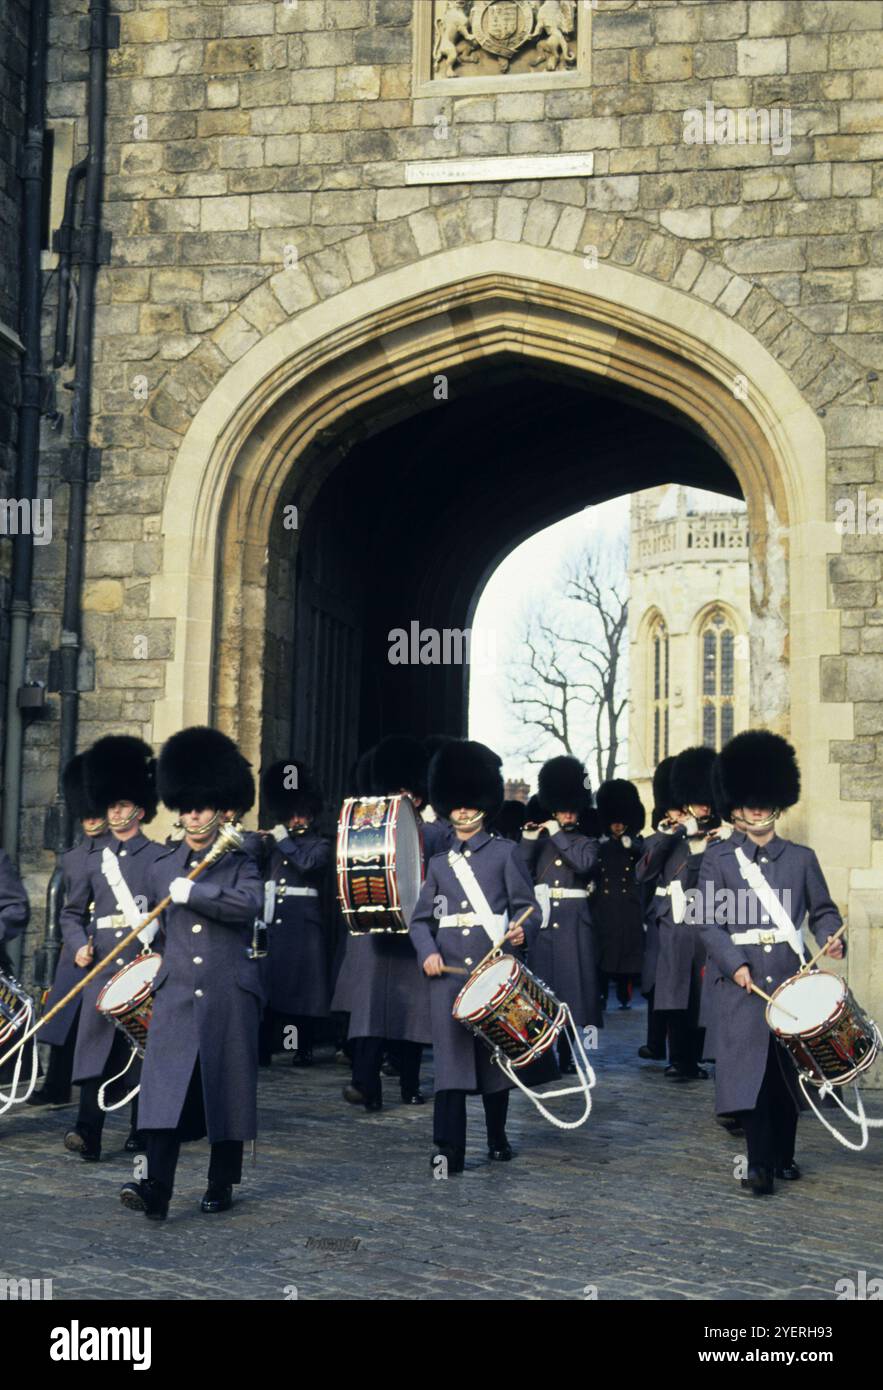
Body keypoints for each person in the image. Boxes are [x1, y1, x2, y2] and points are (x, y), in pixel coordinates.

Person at [119, 726, 264, 1221]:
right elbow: (154, 924)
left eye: (201, 808)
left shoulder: (241, 860)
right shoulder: (163, 865)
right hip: (177, 989)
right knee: (164, 1090)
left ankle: (221, 1181)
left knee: (226, 1086)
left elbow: (249, 906)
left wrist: (195, 894)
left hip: (227, 989)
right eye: (185, 808)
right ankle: (155, 1186)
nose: (192, 817)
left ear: (221, 809)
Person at [696, 730, 844, 1196]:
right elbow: (706, 922)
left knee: (785, 1076)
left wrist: (830, 937)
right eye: (749, 803)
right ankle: (758, 1165)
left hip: (791, 976)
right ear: (735, 807)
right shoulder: (717, 860)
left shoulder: (801, 859)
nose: (757, 810)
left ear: (777, 803)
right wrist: (733, 963)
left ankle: (783, 1156)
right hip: (742, 983)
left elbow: (822, 911)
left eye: (765, 802)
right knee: (749, 1076)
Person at [409, 739, 540, 1172]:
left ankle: (498, 1136)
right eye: (456, 806)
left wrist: (523, 931)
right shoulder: (441, 864)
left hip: (493, 969)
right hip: (447, 977)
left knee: (492, 1061)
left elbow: (528, 907)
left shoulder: (505, 853)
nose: (462, 813)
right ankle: (448, 1149)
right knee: (450, 1066)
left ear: (483, 804)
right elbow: (420, 920)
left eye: (469, 805)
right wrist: (427, 952)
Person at [63, 737, 163, 1161]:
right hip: (102, 958)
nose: (117, 813)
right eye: (112, 806)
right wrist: (76, 947)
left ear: (140, 808)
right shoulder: (91, 859)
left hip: (143, 961)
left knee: (143, 1049)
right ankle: (87, 1131)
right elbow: (71, 914)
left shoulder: (160, 857)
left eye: (125, 805)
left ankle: (141, 1131)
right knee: (93, 1048)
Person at [332, 736, 437, 1110]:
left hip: (414, 932)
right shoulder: (367, 825)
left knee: (411, 1015)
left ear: (420, 796)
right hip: (372, 931)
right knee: (369, 1014)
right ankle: (365, 1085)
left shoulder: (435, 830)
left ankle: (409, 1084)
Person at [28, 754, 110, 1107]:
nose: (91, 818)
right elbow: (67, 909)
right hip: (76, 948)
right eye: (86, 811)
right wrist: (75, 943)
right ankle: (56, 1084)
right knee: (61, 1019)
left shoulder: (120, 853)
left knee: (101, 1026)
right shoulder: (75, 856)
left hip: (110, 946)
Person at [635, 746, 719, 1082]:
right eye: (699, 800)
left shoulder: (718, 836)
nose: (705, 806)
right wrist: (675, 834)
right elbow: (644, 873)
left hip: (705, 917)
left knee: (700, 994)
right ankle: (678, 1059)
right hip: (673, 921)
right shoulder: (667, 834)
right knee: (674, 994)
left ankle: (696, 1057)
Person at [517, 756, 600, 1075]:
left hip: (574, 925)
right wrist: (527, 839)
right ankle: (541, 1052)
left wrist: (556, 834)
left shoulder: (585, 842)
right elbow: (521, 871)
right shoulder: (541, 840)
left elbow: (583, 865)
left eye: (571, 809)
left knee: (573, 991)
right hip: (545, 923)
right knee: (543, 988)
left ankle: (568, 1053)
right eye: (562, 808)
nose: (567, 814)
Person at [258, 759, 330, 1067]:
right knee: (270, 987)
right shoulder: (274, 843)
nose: (297, 818)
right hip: (275, 920)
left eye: (302, 814)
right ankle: (263, 1048)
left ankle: (302, 1048)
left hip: (303, 924)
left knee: (304, 992)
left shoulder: (321, 844)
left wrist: (283, 841)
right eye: (292, 814)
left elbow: (308, 865)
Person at [593, 779, 646, 1012]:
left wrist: (632, 846)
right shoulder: (601, 847)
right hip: (605, 906)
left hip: (628, 907)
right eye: (613, 822)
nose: (617, 826)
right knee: (603, 954)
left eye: (621, 822)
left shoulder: (636, 845)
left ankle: (625, 994)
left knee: (627, 954)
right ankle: (602, 993)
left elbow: (646, 861)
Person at [636, 758, 674, 1063]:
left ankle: (683, 1052)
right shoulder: (653, 841)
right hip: (658, 917)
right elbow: (643, 880)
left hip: (690, 916)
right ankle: (654, 1042)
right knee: (655, 984)